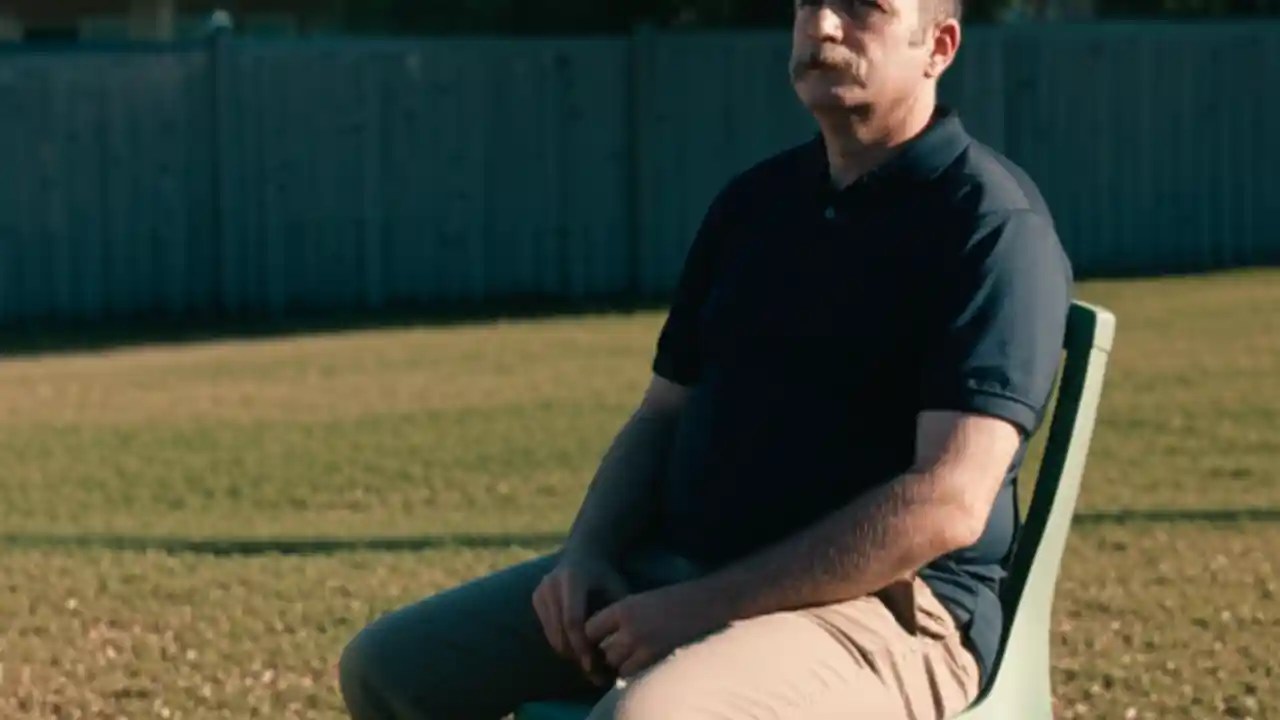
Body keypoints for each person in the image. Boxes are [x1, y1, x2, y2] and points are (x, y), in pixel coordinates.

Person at [338, 0, 1072, 717]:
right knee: (391, 671)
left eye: (862, 8)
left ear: (938, 47)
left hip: (885, 610)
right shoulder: (756, 203)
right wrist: (587, 553)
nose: (821, 25)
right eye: (809, 3)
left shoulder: (988, 225)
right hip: (681, 569)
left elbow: (946, 502)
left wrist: (704, 607)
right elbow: (662, 414)